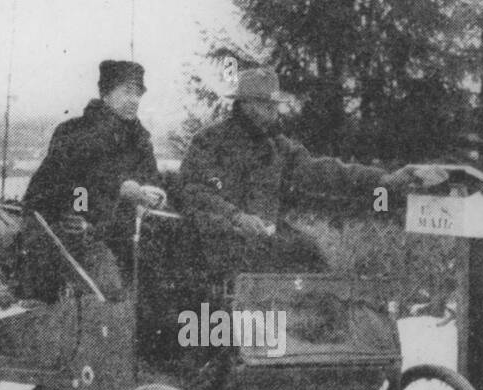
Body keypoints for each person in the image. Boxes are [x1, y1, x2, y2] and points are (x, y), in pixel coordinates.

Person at [177, 67, 450, 281]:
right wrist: (235, 217)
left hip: (264, 239)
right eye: (264, 106)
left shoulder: (278, 147)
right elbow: (193, 191)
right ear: (244, 104)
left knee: (310, 256)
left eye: (274, 107)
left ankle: (314, 345)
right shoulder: (210, 141)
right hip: (218, 240)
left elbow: (324, 172)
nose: (272, 113)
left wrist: (384, 180)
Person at [20, 59, 166, 301]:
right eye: (127, 91)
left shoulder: (139, 139)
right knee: (108, 292)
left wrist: (155, 194)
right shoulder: (75, 132)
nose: (134, 100)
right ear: (106, 93)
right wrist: (86, 209)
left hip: (120, 234)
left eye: (138, 93)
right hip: (70, 230)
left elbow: (150, 178)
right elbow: (72, 183)